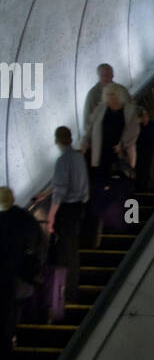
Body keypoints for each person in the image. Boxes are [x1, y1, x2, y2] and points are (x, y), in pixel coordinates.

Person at [32, 126, 90, 307]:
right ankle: (69, 290)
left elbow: (61, 190)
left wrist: (51, 217)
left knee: (66, 252)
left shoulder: (62, 161)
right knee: (71, 250)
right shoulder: (79, 157)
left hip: (67, 211)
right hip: (79, 207)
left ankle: (67, 293)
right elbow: (64, 184)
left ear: (57, 140)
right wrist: (45, 194)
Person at [0, 187, 45, 360]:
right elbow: (38, 244)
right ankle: (9, 345)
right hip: (19, 275)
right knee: (12, 311)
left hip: (5, 274)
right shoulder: (24, 218)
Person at [80, 86, 140, 180]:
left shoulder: (128, 110)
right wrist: (85, 141)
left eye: (113, 94)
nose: (110, 97)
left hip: (117, 152)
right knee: (98, 177)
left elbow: (133, 131)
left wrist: (123, 143)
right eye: (108, 94)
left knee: (115, 178)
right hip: (99, 150)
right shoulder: (100, 109)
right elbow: (90, 127)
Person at [83, 65, 131, 132]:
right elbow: (87, 123)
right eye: (102, 76)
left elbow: (132, 108)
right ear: (98, 77)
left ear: (112, 75)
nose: (105, 78)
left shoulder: (122, 90)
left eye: (107, 75)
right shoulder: (92, 95)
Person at [135, 106, 154, 191]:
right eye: (143, 115)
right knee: (142, 166)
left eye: (146, 114)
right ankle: (142, 183)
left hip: (151, 148)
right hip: (141, 149)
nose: (146, 117)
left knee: (152, 165)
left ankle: (152, 183)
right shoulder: (137, 127)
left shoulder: (152, 124)